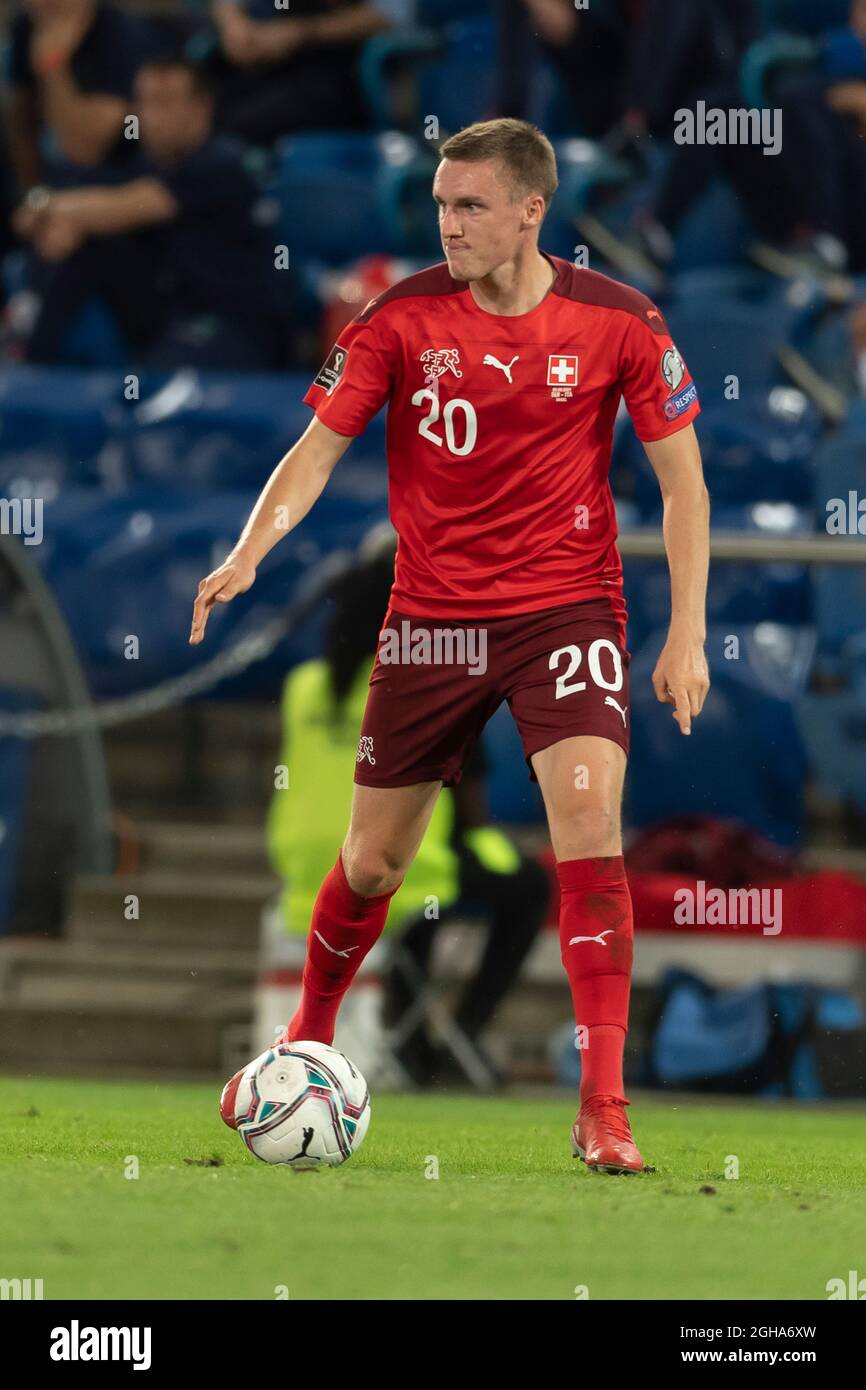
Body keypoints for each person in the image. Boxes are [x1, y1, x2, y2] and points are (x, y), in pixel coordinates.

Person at [193, 118, 710, 1175]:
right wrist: (249, 550)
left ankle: (601, 1108)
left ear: (531, 210)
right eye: (439, 203)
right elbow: (315, 449)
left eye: (469, 205)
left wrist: (685, 632)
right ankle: (307, 1040)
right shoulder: (400, 318)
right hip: (430, 619)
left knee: (585, 822)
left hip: (567, 611)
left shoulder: (618, 321)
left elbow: (683, 484)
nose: (448, 223)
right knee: (374, 859)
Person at [265, 525, 550, 1087]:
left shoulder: (303, 686)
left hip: (302, 876)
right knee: (522, 886)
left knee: (410, 893)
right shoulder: (432, 676)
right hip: (400, 872)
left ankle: (410, 1039)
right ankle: (461, 1029)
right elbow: (469, 803)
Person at [10, 57, 290, 370]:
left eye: (165, 102)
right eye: (144, 102)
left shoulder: (224, 162)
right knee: (86, 242)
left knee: (157, 394)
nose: (151, 116)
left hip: (234, 325)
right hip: (167, 318)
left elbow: (131, 205)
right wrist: (61, 218)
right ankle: (27, 361)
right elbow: (80, 207)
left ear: (201, 109)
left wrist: (48, 206)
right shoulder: (144, 165)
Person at [4, 0, 154, 188]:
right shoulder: (27, 27)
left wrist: (52, 64)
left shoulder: (124, 35)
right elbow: (21, 127)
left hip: (122, 180)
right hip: (57, 184)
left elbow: (83, 149)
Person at [208, 0, 393, 145]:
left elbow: (389, 16)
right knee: (205, 105)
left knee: (231, 123)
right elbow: (227, 5)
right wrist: (235, 26)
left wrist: (300, 33)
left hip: (340, 71)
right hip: (267, 63)